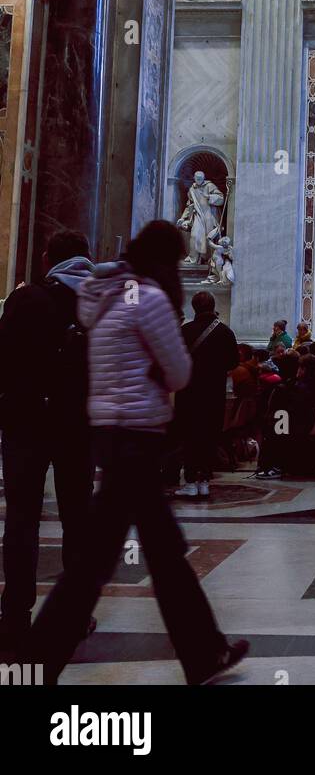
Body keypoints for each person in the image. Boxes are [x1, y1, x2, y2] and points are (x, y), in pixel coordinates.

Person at [27, 221, 248, 686]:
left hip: (108, 430)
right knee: (98, 564)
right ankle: (38, 661)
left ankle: (205, 650)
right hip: (138, 436)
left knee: (162, 553)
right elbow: (179, 371)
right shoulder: (145, 299)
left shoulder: (101, 299)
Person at [0, 230, 95, 655]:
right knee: (77, 520)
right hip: (77, 424)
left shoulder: (24, 299)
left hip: (24, 422)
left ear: (45, 259)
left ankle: (14, 614)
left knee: (21, 519)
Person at [172, 291, 239, 498]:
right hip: (214, 395)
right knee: (210, 437)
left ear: (194, 308)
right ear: (213, 306)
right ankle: (205, 480)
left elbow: (175, 361)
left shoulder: (185, 331)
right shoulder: (226, 333)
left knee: (191, 437)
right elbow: (233, 363)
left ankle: (191, 480)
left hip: (189, 394)